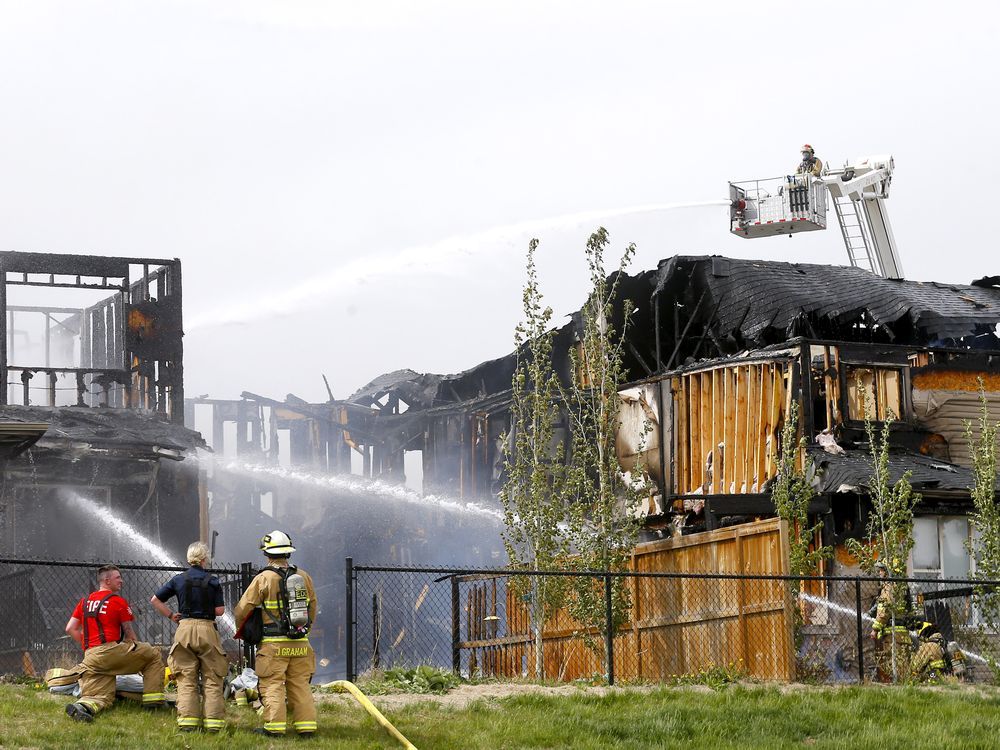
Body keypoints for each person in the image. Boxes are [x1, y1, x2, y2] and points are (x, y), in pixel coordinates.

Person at [234, 530, 318, 738]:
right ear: (289, 553)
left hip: (273, 645)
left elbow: (242, 609)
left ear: (267, 554)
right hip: (301, 643)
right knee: (300, 685)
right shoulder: (304, 576)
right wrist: (304, 630)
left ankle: (274, 727)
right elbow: (312, 607)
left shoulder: (264, 578)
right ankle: (307, 727)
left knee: (272, 684)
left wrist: (245, 630)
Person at [63, 564, 165, 722]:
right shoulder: (118, 601)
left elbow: (70, 628)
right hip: (111, 652)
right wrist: (137, 653)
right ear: (107, 580)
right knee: (152, 655)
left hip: (91, 656)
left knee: (101, 696)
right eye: (118, 577)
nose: (122, 581)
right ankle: (153, 703)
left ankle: (83, 707)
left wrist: (89, 644)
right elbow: (130, 634)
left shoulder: (84, 602)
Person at [151, 541, 228, 733]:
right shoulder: (213, 580)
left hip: (184, 629)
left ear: (189, 558)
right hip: (207, 630)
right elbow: (219, 611)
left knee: (185, 677)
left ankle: (187, 723)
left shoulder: (178, 579)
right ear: (204, 559)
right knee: (212, 677)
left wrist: (171, 615)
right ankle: (213, 724)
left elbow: (155, 600)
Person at [869, 560, 912, 680]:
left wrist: (875, 628)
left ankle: (898, 689)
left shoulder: (889, 586)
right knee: (903, 664)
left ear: (888, 571)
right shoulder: (901, 586)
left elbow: (884, 610)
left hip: (892, 634)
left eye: (882, 570)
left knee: (892, 665)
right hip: (902, 633)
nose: (880, 573)